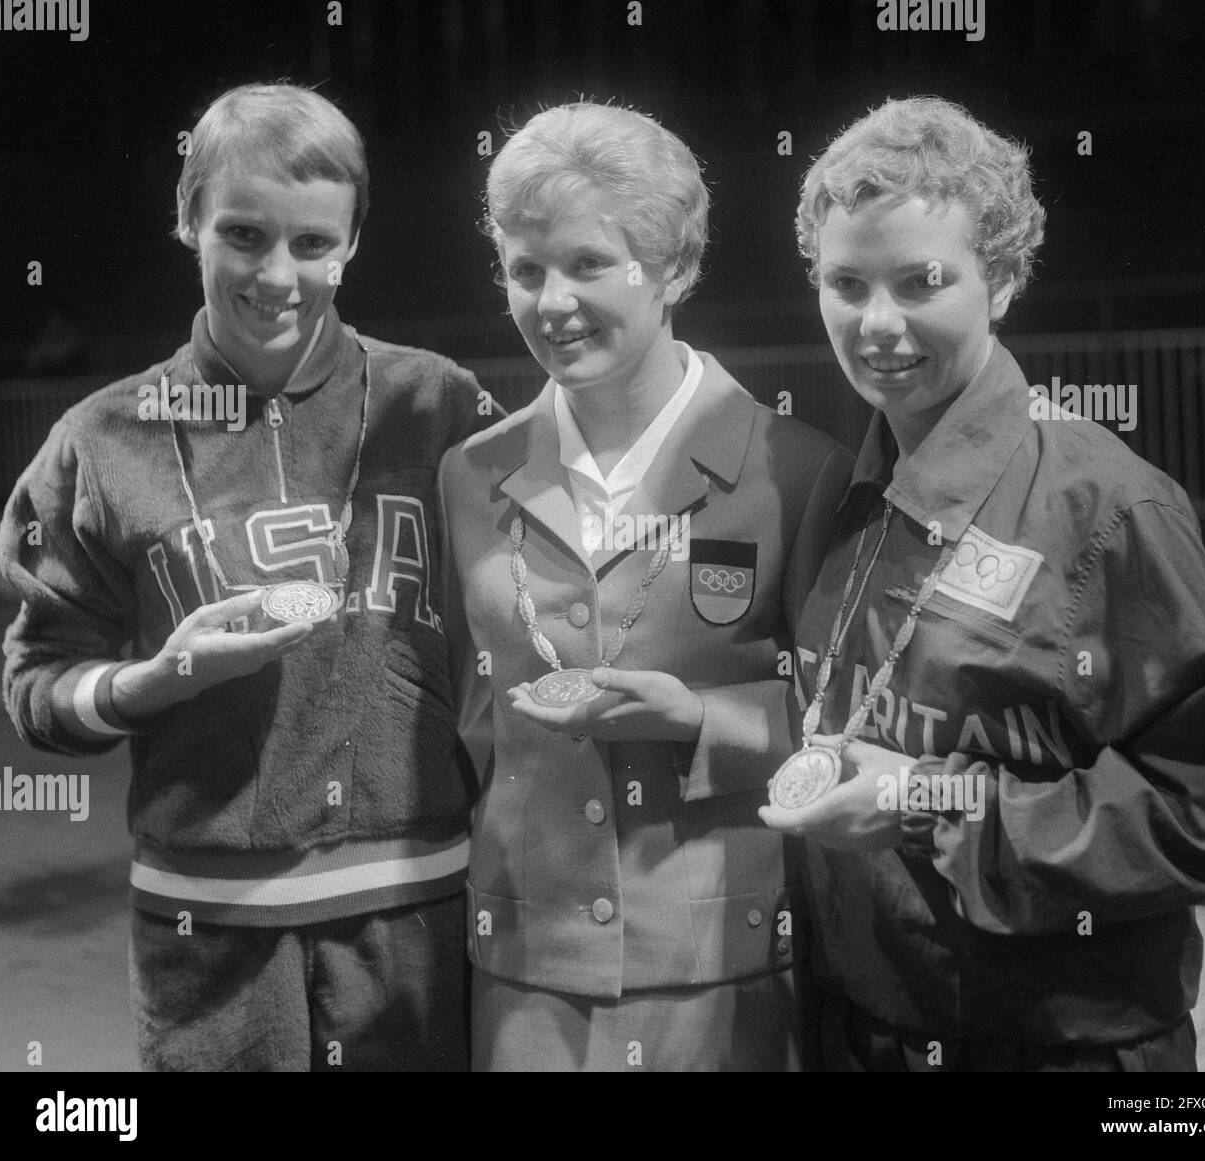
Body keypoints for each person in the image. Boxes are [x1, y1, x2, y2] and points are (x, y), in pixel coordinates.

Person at [760, 95, 1205, 1071]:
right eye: (845, 283)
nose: (876, 324)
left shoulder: (1108, 508)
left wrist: (930, 804)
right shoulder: (840, 498)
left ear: (998, 279)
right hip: (855, 1039)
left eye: (920, 281)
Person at [0, 82, 497, 1071]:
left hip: (415, 921)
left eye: (313, 244)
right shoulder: (100, 440)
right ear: (189, 221)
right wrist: (152, 683)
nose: (278, 274)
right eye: (243, 234)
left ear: (352, 240)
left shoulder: (440, 406)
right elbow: (37, 690)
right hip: (205, 939)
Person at [438, 102, 855, 1071]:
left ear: (676, 267)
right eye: (525, 269)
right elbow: (475, 728)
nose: (552, 301)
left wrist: (701, 721)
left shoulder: (797, 470)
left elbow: (849, 735)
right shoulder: (470, 473)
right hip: (523, 983)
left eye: (589, 264)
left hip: (724, 978)